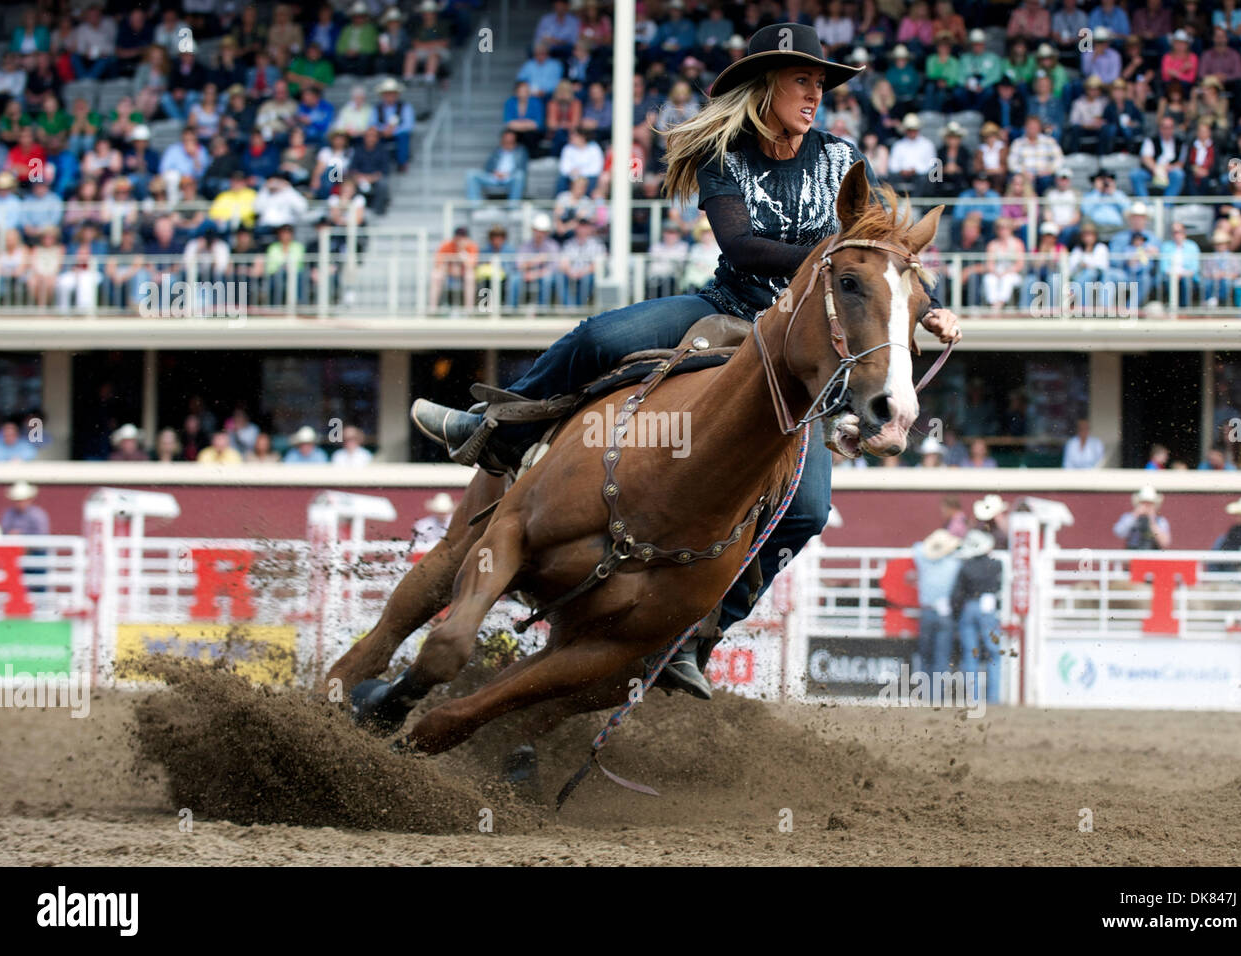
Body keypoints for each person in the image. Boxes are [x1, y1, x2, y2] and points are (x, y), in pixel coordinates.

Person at [409, 23, 963, 698]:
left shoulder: (839, 158)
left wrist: (929, 304)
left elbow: (879, 256)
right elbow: (743, 246)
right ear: (767, 86)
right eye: (802, 80)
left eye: (820, 83)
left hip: (798, 352)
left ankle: (695, 633)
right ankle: (494, 428)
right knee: (597, 339)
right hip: (727, 311)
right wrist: (827, 262)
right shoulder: (724, 156)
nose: (814, 93)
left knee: (807, 511)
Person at [950, 529, 1003, 704]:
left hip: (969, 607)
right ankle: (993, 697)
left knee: (970, 653)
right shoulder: (996, 565)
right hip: (987, 608)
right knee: (993, 652)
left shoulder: (965, 567)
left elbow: (957, 594)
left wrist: (956, 613)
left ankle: (972, 697)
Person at [913, 529, 962, 689]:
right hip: (945, 613)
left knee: (925, 654)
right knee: (942, 655)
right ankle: (938, 695)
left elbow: (917, 547)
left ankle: (924, 693)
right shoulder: (954, 564)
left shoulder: (923, 560)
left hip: (927, 611)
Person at [1113, 485, 1172, 549]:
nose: (1146, 507)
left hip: (1152, 556)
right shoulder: (1129, 517)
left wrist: (1152, 522)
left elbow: (1165, 542)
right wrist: (1135, 515)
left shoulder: (1160, 521)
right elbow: (1119, 532)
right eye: (1144, 503)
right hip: (1132, 555)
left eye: (1149, 504)